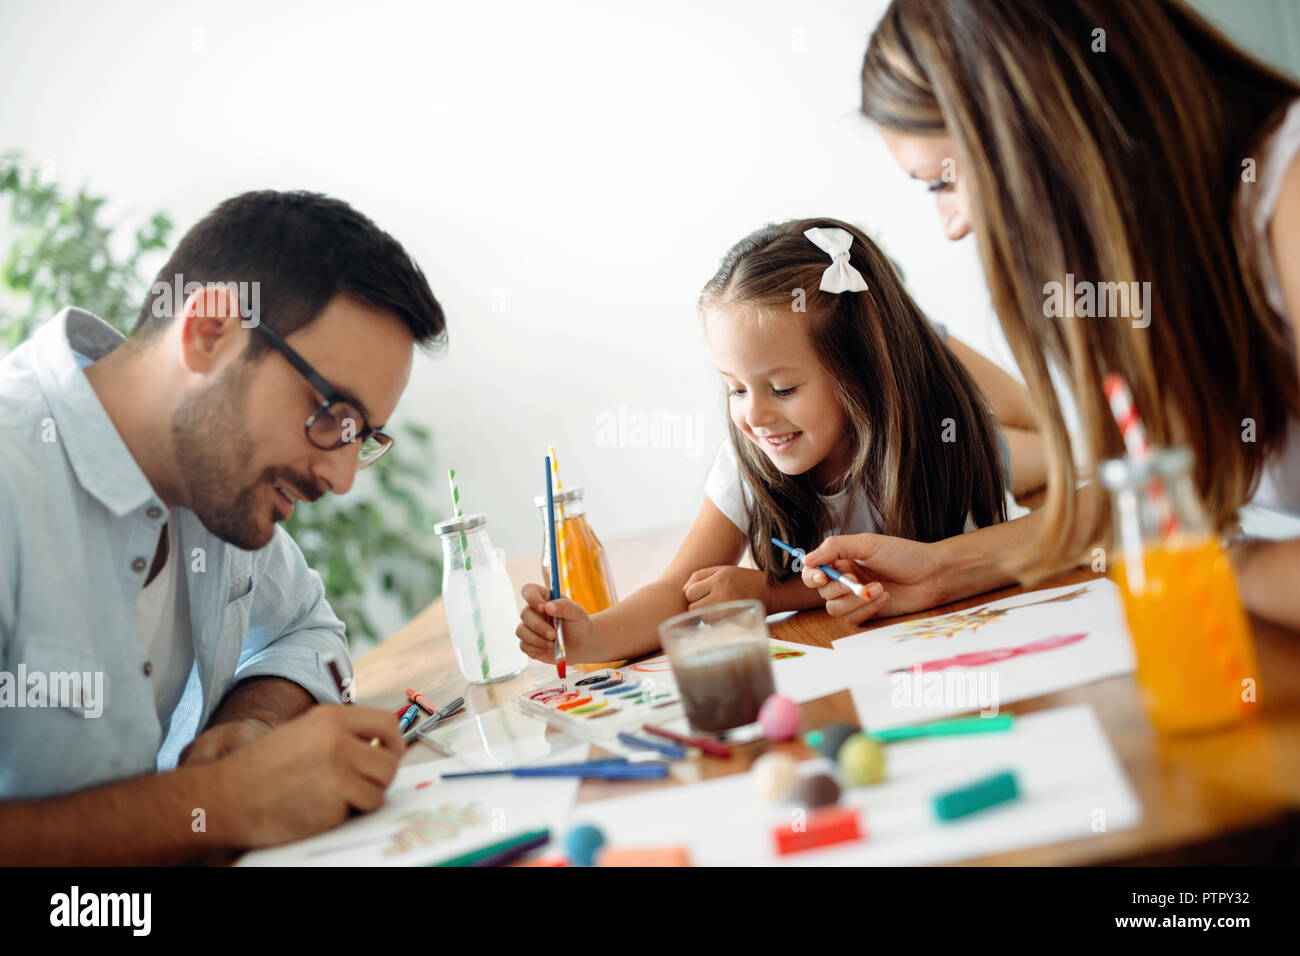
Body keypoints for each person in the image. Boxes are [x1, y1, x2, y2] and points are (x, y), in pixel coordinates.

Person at [804, 0, 1300, 630]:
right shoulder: (1167, 264)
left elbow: (1180, 531)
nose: (951, 226)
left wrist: (1223, 563)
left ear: (1031, 125)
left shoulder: (1288, 194)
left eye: (942, 183)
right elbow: (1152, 497)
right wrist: (943, 569)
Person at [0, 190, 445, 863]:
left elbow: (305, 629)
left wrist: (255, 726)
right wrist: (222, 802)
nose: (342, 475)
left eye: (363, 437)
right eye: (330, 412)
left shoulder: (210, 485)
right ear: (210, 333)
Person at [516, 217, 1014, 664]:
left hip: (993, 474)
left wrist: (773, 595)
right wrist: (590, 638)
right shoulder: (752, 452)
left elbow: (964, 569)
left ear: (859, 371)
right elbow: (678, 591)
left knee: (1035, 452)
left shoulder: (939, 443)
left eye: (782, 389)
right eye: (735, 388)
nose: (753, 416)